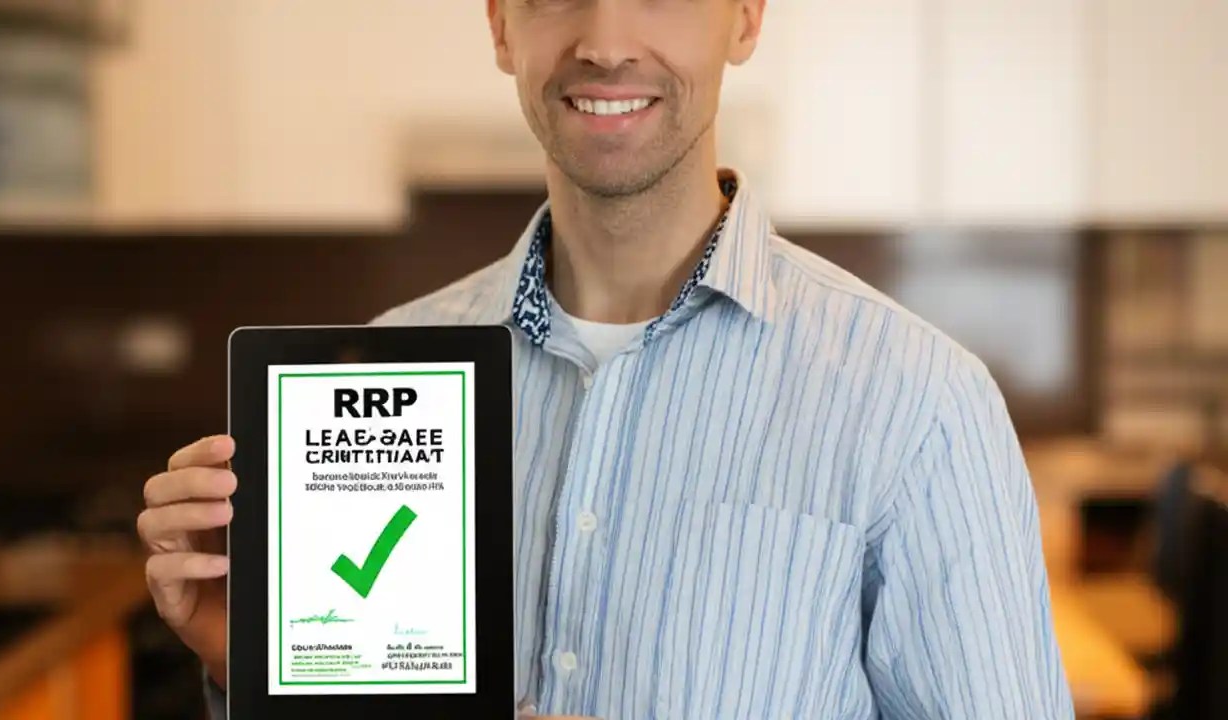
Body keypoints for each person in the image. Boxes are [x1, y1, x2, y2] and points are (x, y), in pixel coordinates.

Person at [135, 0, 1075, 717]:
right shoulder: (382, 378)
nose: (605, 41)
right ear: (501, 25)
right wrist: (254, 669)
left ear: (746, 17)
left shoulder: (920, 403)